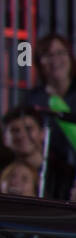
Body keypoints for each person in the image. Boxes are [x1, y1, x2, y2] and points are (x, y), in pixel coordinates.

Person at [24, 33, 76, 174]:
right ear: (39, 62)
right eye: (47, 55)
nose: (55, 60)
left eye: (60, 53)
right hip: (47, 171)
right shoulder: (33, 99)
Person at [0, 105, 75, 200]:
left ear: (42, 133)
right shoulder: (3, 173)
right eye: (15, 130)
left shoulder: (66, 174)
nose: (22, 135)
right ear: (5, 139)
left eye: (28, 129)